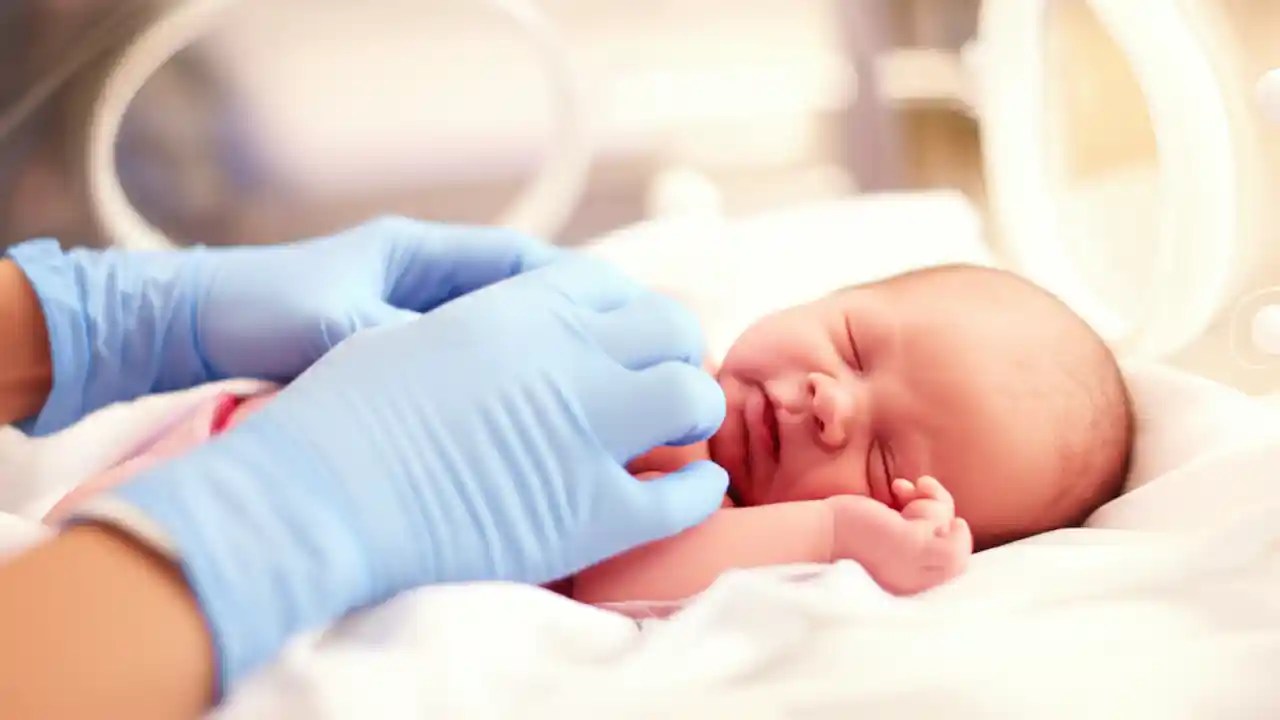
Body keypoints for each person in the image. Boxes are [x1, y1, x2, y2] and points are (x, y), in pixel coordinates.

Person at [44, 263, 1134, 606]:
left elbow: (611, 572)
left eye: (884, 458)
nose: (826, 402)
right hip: (219, 460)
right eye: (850, 340)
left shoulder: (717, 505)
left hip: (193, 553)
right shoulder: (649, 362)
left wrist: (839, 533)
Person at [0, 217, 730, 718]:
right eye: (850, 344)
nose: (829, 406)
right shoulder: (673, 341)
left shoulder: (739, 522)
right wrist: (114, 319)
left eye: (855, 458)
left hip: (133, 582)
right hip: (156, 538)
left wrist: (80, 325)